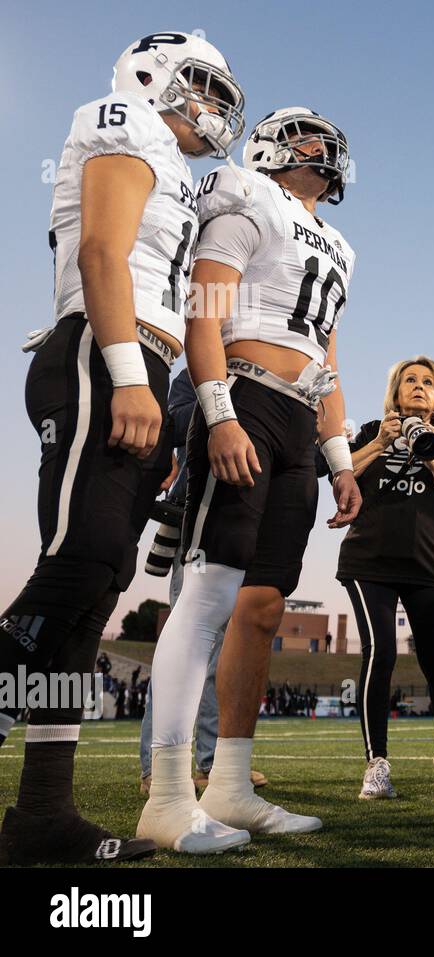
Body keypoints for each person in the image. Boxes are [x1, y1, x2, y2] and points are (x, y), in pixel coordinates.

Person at [0, 31, 244, 866]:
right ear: (152, 74)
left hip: (141, 361)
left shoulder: (176, 168)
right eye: (201, 84)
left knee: (97, 589)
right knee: (85, 554)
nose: (212, 104)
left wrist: (157, 391)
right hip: (99, 355)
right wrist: (127, 376)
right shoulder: (123, 120)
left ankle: (41, 814)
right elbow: (105, 251)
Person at [137, 107, 360, 854]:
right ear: (271, 146)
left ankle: (228, 783)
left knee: (261, 608)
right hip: (245, 393)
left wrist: (339, 458)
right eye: (305, 134)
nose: (320, 147)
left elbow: (326, 351)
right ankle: (166, 795)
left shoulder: (340, 244)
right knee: (207, 594)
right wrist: (218, 411)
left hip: (301, 418)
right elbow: (206, 304)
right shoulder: (244, 189)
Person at [335, 357, 434, 797]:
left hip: (428, 564)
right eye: (409, 380)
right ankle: (376, 764)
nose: (418, 387)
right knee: (380, 653)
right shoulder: (373, 430)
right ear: (396, 392)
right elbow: (340, 475)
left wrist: (431, 454)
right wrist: (379, 443)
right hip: (369, 560)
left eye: (427, 382)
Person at [138, 371, 268, 795]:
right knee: (189, 639)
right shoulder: (198, 369)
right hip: (201, 511)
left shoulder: (278, 373)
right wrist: (232, 410)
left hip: (250, 518)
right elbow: (174, 420)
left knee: (226, 650)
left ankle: (213, 763)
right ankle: (157, 765)